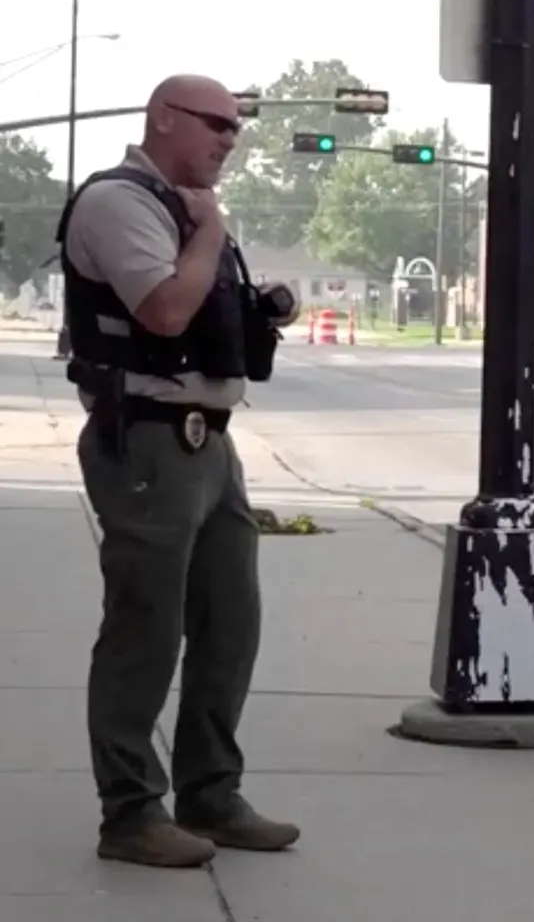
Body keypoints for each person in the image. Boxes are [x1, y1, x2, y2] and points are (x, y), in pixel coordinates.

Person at [58, 75, 302, 868]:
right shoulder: (121, 202)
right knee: (146, 627)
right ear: (164, 118)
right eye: (216, 125)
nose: (229, 139)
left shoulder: (189, 209)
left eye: (236, 129)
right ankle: (130, 812)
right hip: (148, 441)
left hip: (208, 441)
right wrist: (209, 234)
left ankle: (211, 796)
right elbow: (162, 311)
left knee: (231, 622)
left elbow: (198, 313)